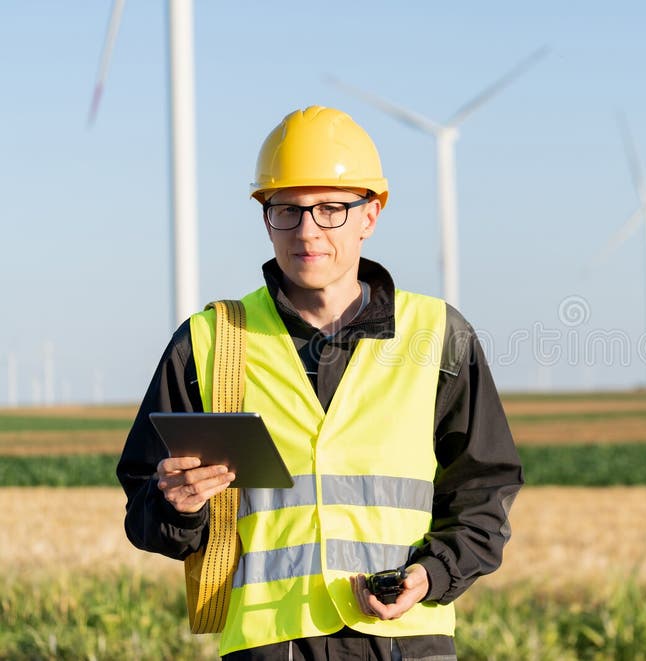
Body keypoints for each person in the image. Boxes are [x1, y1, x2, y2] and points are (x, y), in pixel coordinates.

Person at [117, 105, 523, 660]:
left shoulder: (438, 335)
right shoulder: (208, 342)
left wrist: (431, 575)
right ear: (265, 218)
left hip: (407, 643)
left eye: (331, 209)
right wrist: (177, 504)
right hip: (269, 643)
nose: (308, 231)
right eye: (287, 210)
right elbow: (145, 511)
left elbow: (482, 488)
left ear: (371, 214)